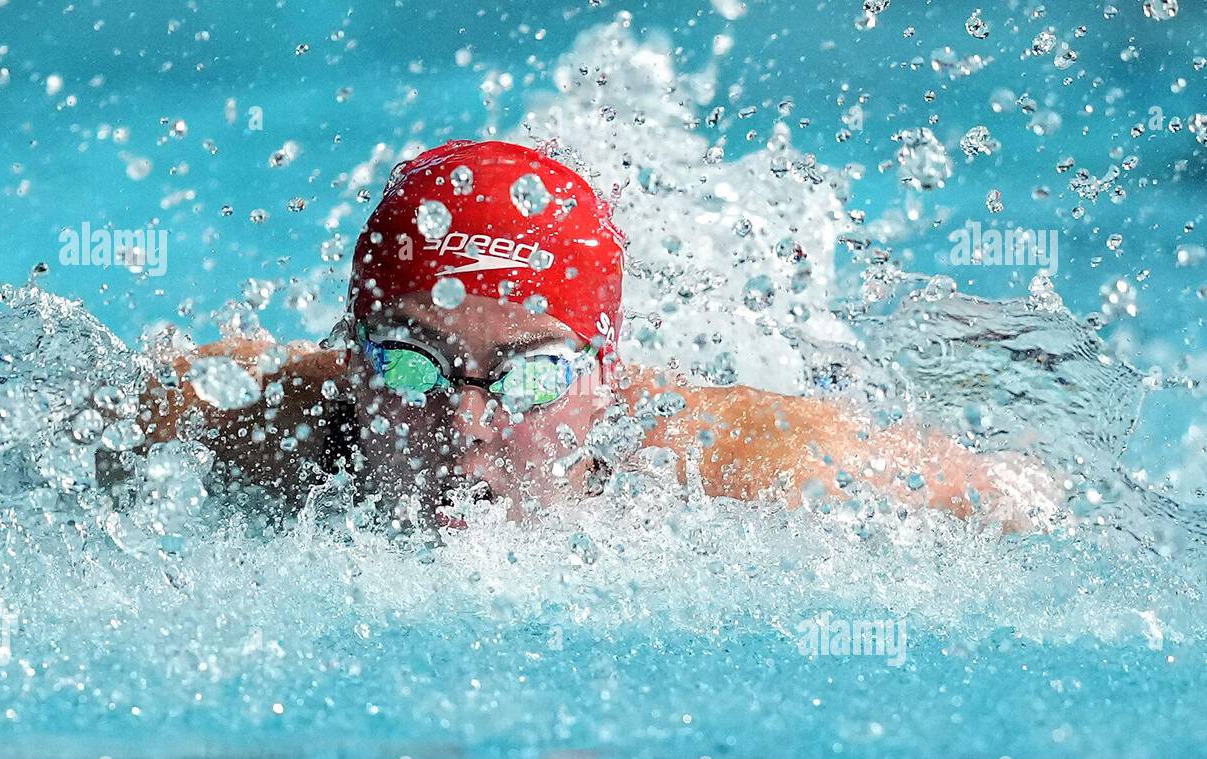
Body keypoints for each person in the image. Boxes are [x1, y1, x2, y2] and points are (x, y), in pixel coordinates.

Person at [139, 140, 1059, 529]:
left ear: (606, 378)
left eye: (532, 377)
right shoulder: (247, 423)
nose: (466, 427)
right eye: (415, 366)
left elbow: (1027, 500)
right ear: (351, 362)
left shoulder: (741, 459)